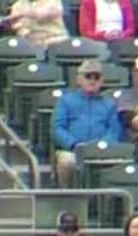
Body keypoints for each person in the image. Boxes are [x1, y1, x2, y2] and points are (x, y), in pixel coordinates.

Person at [51, 60, 123, 189]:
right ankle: (68, 199)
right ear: (79, 79)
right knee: (67, 162)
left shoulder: (110, 104)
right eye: (88, 76)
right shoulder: (66, 101)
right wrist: (74, 144)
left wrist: (101, 146)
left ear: (102, 81)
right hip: (73, 150)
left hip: (102, 152)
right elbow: (58, 128)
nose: (92, 80)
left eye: (97, 77)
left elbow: (114, 131)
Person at [2, 0, 69, 47]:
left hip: (55, 39)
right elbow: (17, 27)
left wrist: (24, 13)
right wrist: (20, 30)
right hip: (32, 44)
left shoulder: (52, 1)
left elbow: (43, 14)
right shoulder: (18, 5)